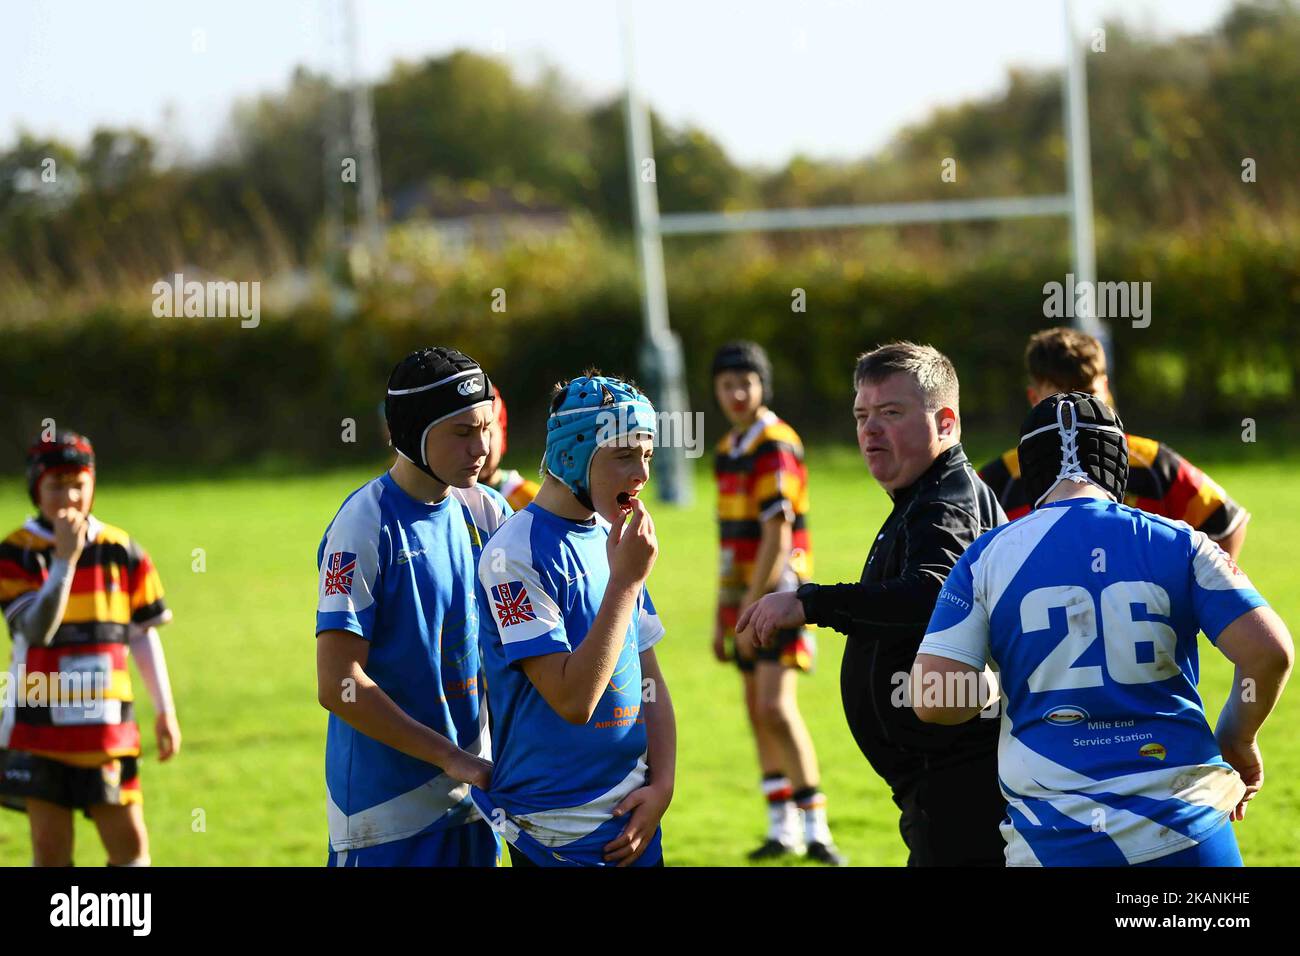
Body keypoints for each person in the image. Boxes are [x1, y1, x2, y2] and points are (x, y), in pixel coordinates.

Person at [913, 392, 1293, 866]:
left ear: (1029, 469)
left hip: (1055, 839)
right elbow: (1270, 652)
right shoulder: (1179, 541)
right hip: (1187, 829)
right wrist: (1237, 738)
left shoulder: (987, 558)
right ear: (1118, 463)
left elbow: (933, 698)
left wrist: (1002, 681)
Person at [739, 342, 1007, 866]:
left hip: (955, 782)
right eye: (862, 415)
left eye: (891, 413)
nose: (869, 430)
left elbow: (932, 593)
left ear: (946, 422)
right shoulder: (927, 494)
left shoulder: (945, 501)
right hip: (938, 781)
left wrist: (808, 604)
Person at [315, 347, 510, 867]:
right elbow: (338, 683)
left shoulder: (486, 511)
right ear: (414, 434)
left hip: (477, 801)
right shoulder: (363, 524)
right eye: (463, 432)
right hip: (387, 818)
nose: (482, 446)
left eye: (486, 427)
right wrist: (452, 759)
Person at [472, 371, 676, 867]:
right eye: (624, 454)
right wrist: (625, 581)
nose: (642, 474)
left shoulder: (613, 539)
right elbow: (573, 700)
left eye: (647, 455)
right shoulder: (515, 553)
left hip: (634, 820)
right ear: (571, 457)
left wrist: (662, 787)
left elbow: (648, 676)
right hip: (556, 833)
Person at [0, 430, 180, 866]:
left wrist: (164, 710)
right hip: (39, 730)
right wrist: (65, 560)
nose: (69, 496)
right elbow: (36, 630)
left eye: (78, 483)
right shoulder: (17, 553)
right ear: (35, 489)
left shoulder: (122, 550)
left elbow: (142, 635)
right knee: (50, 852)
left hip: (107, 730)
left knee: (131, 848)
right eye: (56, 485)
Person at [710, 341, 843, 864]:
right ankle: (780, 828)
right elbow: (727, 540)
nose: (737, 393)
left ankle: (818, 829)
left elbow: (779, 532)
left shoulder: (776, 441)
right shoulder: (727, 448)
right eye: (727, 384)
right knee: (754, 709)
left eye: (747, 382)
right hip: (739, 599)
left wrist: (748, 605)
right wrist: (721, 615)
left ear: (764, 385)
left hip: (779, 596)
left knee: (775, 706)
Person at [979, 327, 1249, 559]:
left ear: (1106, 388)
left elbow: (1226, 522)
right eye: (1062, 398)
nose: (1079, 409)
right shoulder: (1001, 479)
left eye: (1089, 395)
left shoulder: (1151, 462)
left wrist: (1200, 595)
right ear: (1034, 398)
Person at [479, 387, 540, 511]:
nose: (478, 447)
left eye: (487, 432)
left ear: (502, 436)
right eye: (463, 433)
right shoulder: (442, 498)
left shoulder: (531, 500)